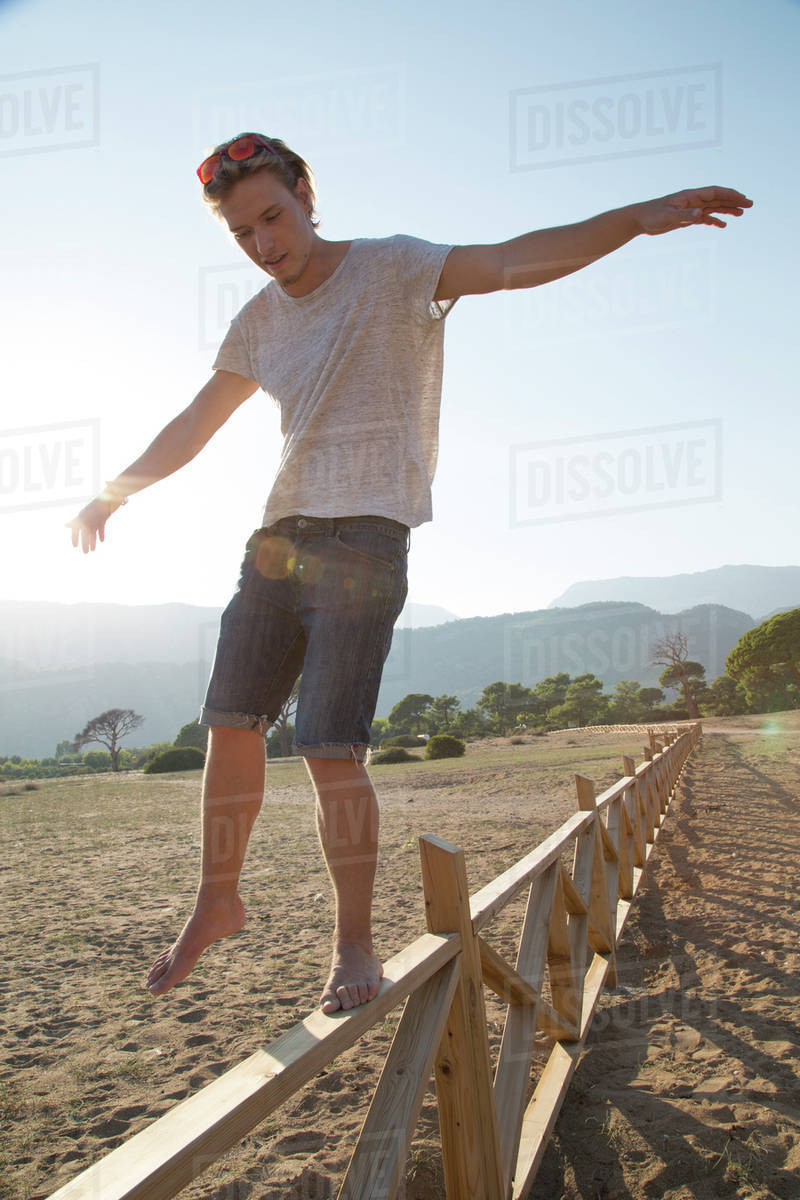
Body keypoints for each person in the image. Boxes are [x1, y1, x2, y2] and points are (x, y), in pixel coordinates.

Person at [67, 131, 751, 1014]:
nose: (264, 242)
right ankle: (217, 897)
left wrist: (634, 219)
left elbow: (512, 261)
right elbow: (197, 420)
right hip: (276, 539)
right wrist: (112, 494)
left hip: (365, 541)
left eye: (272, 216)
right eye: (242, 233)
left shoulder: (392, 269)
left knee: (327, 746)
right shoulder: (258, 322)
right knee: (230, 725)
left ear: (306, 194)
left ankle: (353, 944)